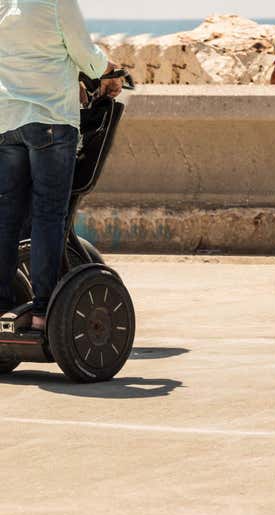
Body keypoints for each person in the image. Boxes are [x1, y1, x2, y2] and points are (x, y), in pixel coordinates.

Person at [0, 0, 123, 329]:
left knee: (7, 217)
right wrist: (110, 69)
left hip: (7, 122)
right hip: (51, 120)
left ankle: (2, 304)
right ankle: (43, 311)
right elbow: (85, 54)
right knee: (49, 213)